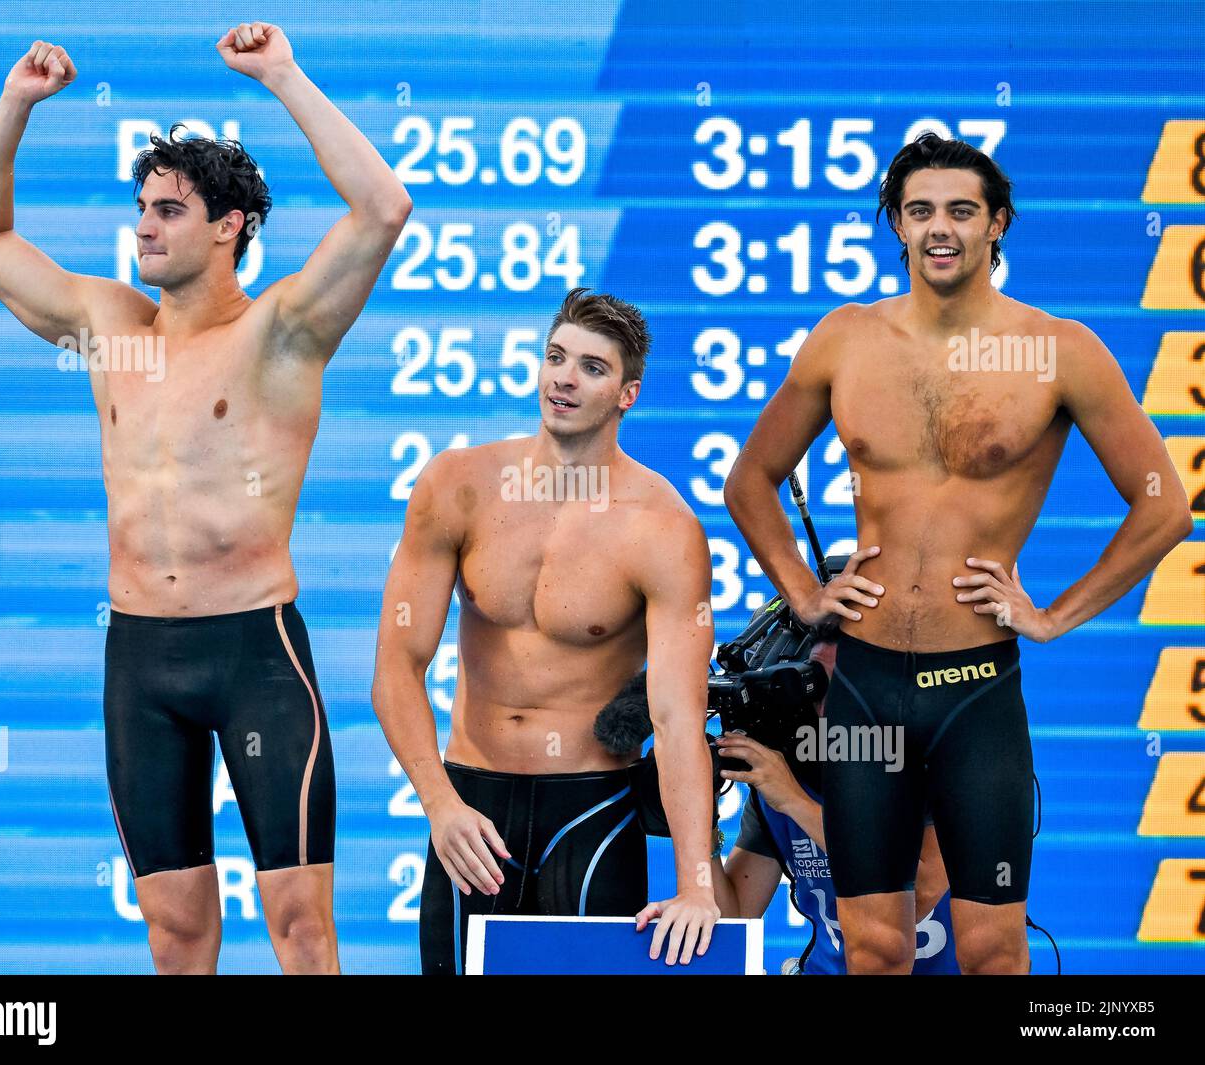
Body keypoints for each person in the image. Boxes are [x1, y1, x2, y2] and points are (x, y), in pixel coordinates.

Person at [0, 24, 412, 973]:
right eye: (141, 209)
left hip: (254, 652)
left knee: (302, 929)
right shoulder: (110, 326)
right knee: (178, 935)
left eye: (167, 210)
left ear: (228, 226)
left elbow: (383, 209)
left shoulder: (282, 333)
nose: (143, 227)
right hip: (140, 658)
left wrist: (282, 75)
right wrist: (14, 105)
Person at [723, 132, 1193, 974]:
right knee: (874, 948)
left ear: (997, 224)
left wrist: (1052, 616)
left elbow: (1164, 507)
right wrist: (802, 594)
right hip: (865, 693)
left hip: (976, 694)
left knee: (993, 952)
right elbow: (751, 479)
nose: (940, 228)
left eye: (961, 211)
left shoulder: (1058, 349)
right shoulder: (845, 340)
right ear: (896, 227)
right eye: (920, 211)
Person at [372, 287, 720, 974]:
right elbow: (396, 665)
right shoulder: (458, 485)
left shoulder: (662, 527)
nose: (564, 376)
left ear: (628, 394)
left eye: (592, 367)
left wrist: (696, 885)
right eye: (556, 357)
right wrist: (439, 802)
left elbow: (678, 716)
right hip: (471, 810)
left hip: (590, 815)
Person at [711, 635, 959, 974]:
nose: (832, 706)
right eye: (820, 685)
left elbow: (924, 888)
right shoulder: (783, 786)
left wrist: (795, 802)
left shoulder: (938, 762)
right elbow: (734, 918)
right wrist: (701, 821)